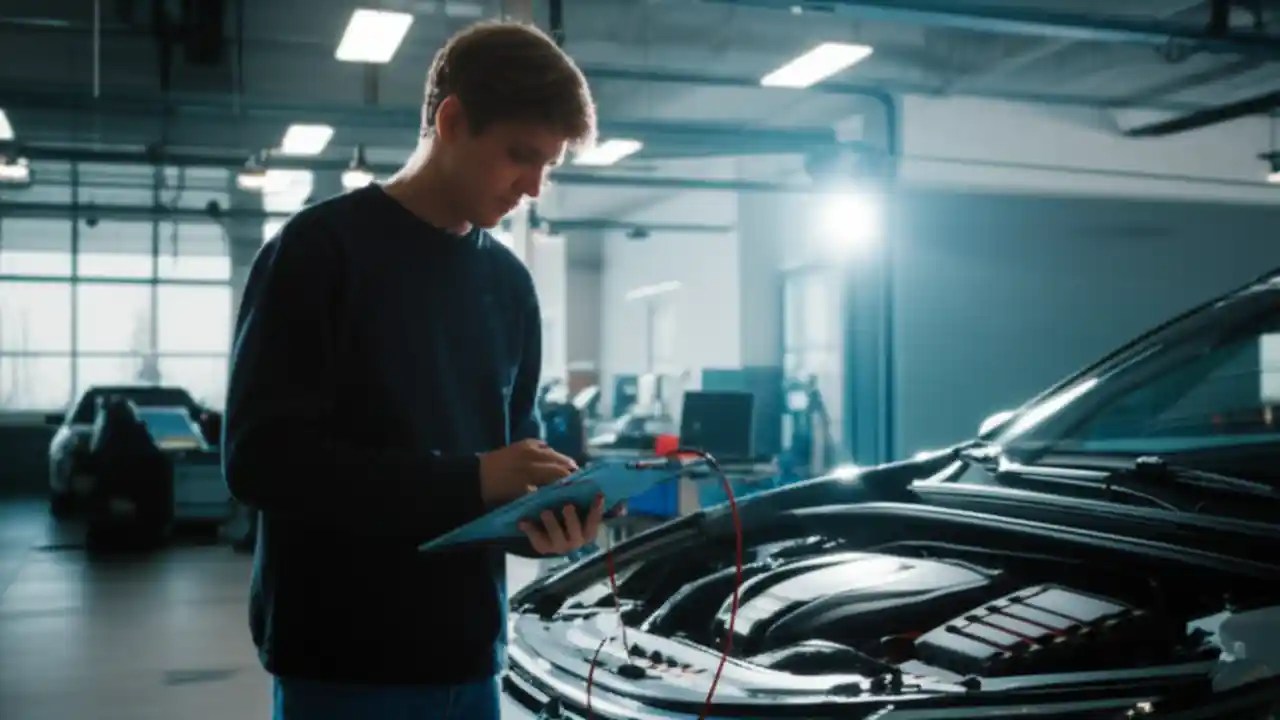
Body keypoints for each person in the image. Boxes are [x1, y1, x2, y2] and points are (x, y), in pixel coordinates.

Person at [221, 20, 604, 720]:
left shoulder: (510, 285)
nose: (535, 187)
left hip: (473, 655)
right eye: (521, 156)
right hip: (344, 662)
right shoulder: (319, 252)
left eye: (549, 164)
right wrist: (474, 478)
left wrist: (546, 518)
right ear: (451, 121)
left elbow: (510, 461)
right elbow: (260, 461)